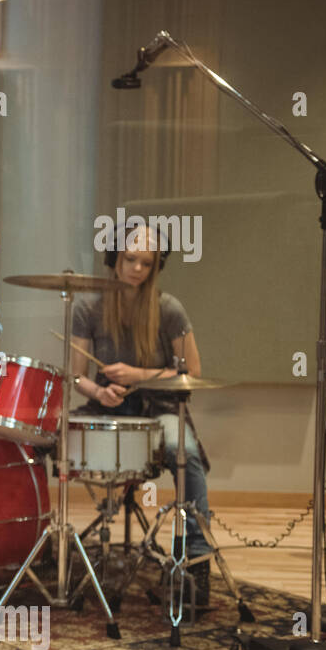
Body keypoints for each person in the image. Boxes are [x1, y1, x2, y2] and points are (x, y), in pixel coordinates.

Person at [71, 222, 213, 605]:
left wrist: (139, 375)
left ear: (156, 267)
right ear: (114, 259)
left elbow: (192, 373)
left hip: (160, 409)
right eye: (129, 259)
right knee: (57, 438)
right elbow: (75, 376)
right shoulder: (87, 307)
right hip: (108, 407)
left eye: (146, 263)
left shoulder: (169, 309)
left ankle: (196, 560)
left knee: (186, 454)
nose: (136, 268)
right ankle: (49, 548)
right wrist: (100, 390)